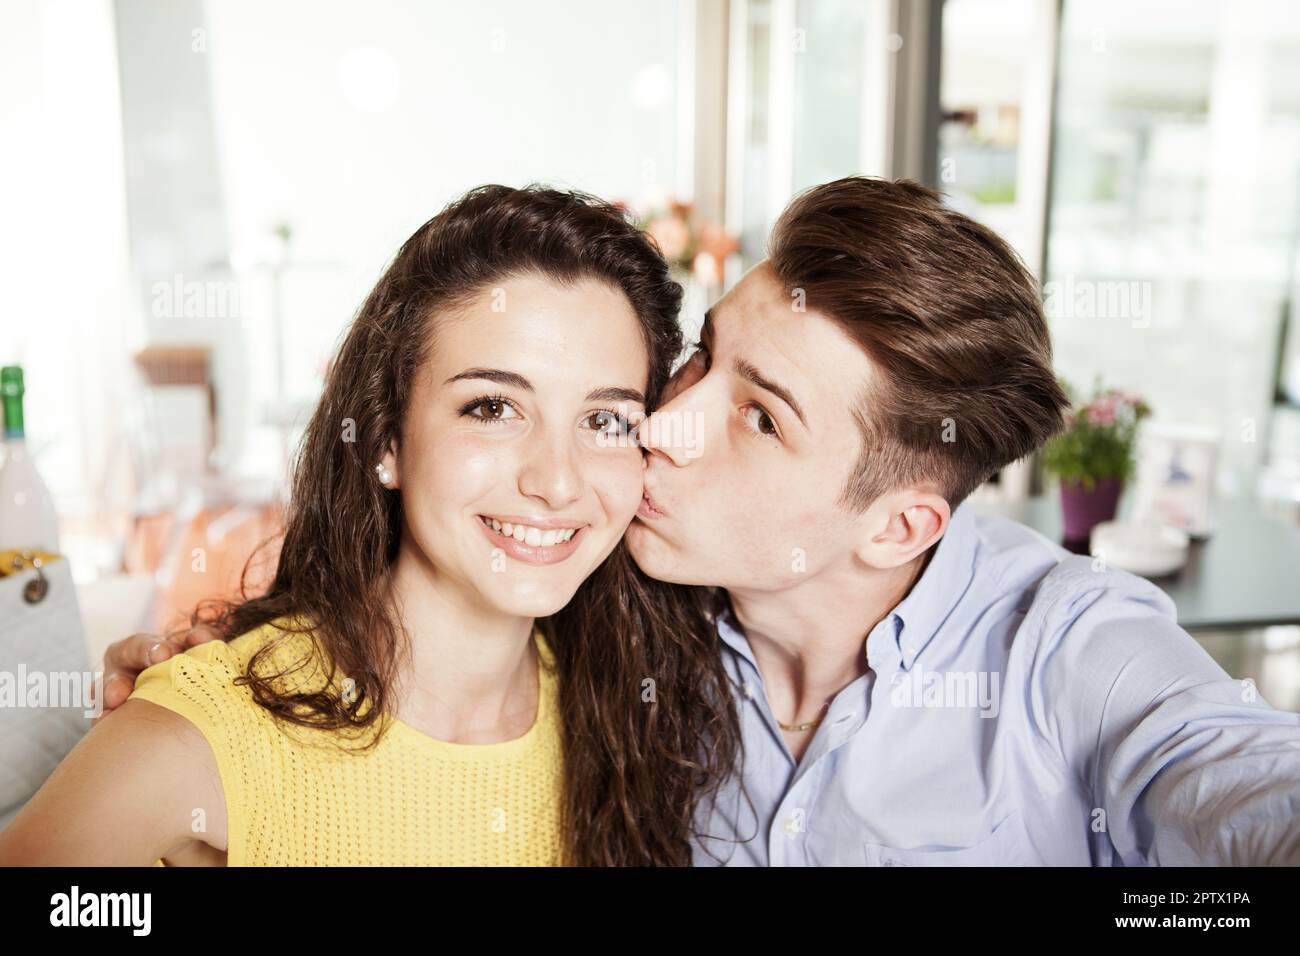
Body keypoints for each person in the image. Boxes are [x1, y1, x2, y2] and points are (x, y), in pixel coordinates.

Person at [79, 177, 1300, 866]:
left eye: (759, 418)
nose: (658, 427)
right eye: (702, 357)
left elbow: (1241, 783)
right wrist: (222, 681)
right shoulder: (627, 601)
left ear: (897, 525)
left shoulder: (1067, 654)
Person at [0, 184, 741, 867]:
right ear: (387, 440)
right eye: (491, 407)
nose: (555, 480)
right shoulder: (204, 733)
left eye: (605, 419)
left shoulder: (633, 721)